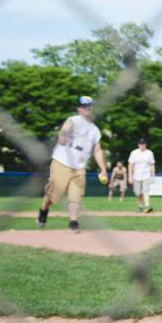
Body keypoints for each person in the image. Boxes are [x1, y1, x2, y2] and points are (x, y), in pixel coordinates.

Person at [37, 96, 108, 233]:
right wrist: (62, 136)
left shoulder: (95, 130)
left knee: (76, 194)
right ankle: (43, 210)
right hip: (62, 162)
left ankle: (73, 221)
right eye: (84, 106)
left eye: (89, 106)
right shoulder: (73, 120)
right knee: (54, 194)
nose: (87, 108)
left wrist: (103, 169)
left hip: (79, 167)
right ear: (79, 109)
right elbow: (65, 129)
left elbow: (97, 151)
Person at [128, 138, 156, 213]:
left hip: (146, 175)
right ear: (138, 145)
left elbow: (152, 164)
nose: (142, 145)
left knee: (145, 191)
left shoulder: (149, 153)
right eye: (141, 144)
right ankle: (140, 206)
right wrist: (130, 176)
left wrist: (153, 175)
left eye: (143, 144)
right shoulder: (134, 153)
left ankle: (147, 206)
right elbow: (130, 165)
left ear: (146, 144)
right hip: (136, 176)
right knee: (138, 193)